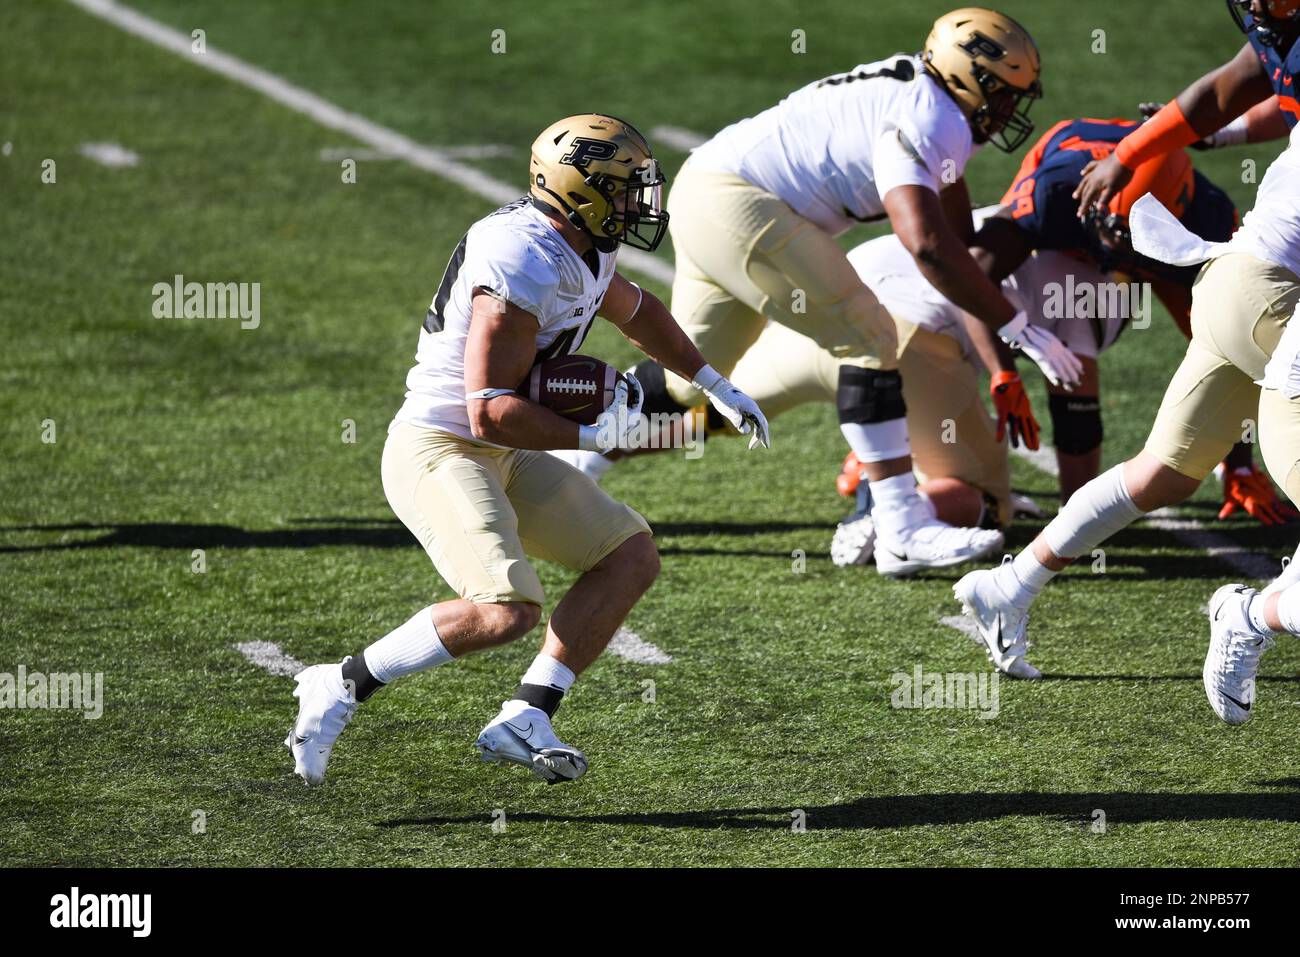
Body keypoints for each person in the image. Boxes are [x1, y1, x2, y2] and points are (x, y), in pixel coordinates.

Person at [285, 115, 768, 786]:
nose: (637, 204)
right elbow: (487, 409)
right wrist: (598, 434)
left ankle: (527, 713)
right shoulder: (521, 258)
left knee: (628, 555)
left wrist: (713, 383)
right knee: (503, 609)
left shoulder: (583, 240)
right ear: (581, 191)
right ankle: (339, 683)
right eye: (624, 190)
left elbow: (637, 311)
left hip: (501, 447)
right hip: (443, 446)